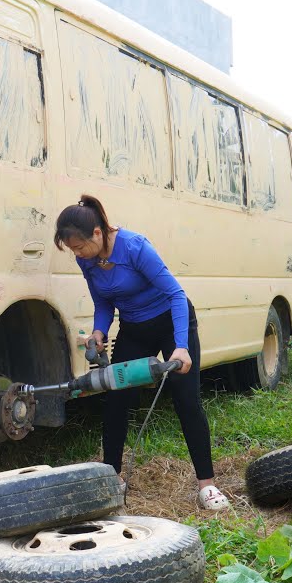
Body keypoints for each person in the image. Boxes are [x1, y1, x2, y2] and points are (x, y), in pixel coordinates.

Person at [54, 194, 229, 510]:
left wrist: (181, 347)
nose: (77, 254)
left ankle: (207, 486)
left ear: (98, 233)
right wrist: (99, 331)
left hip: (172, 322)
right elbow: (104, 301)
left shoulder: (134, 247)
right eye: (73, 250)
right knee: (116, 396)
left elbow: (176, 294)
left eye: (79, 247)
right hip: (135, 327)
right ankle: (113, 478)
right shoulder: (87, 260)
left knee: (186, 399)